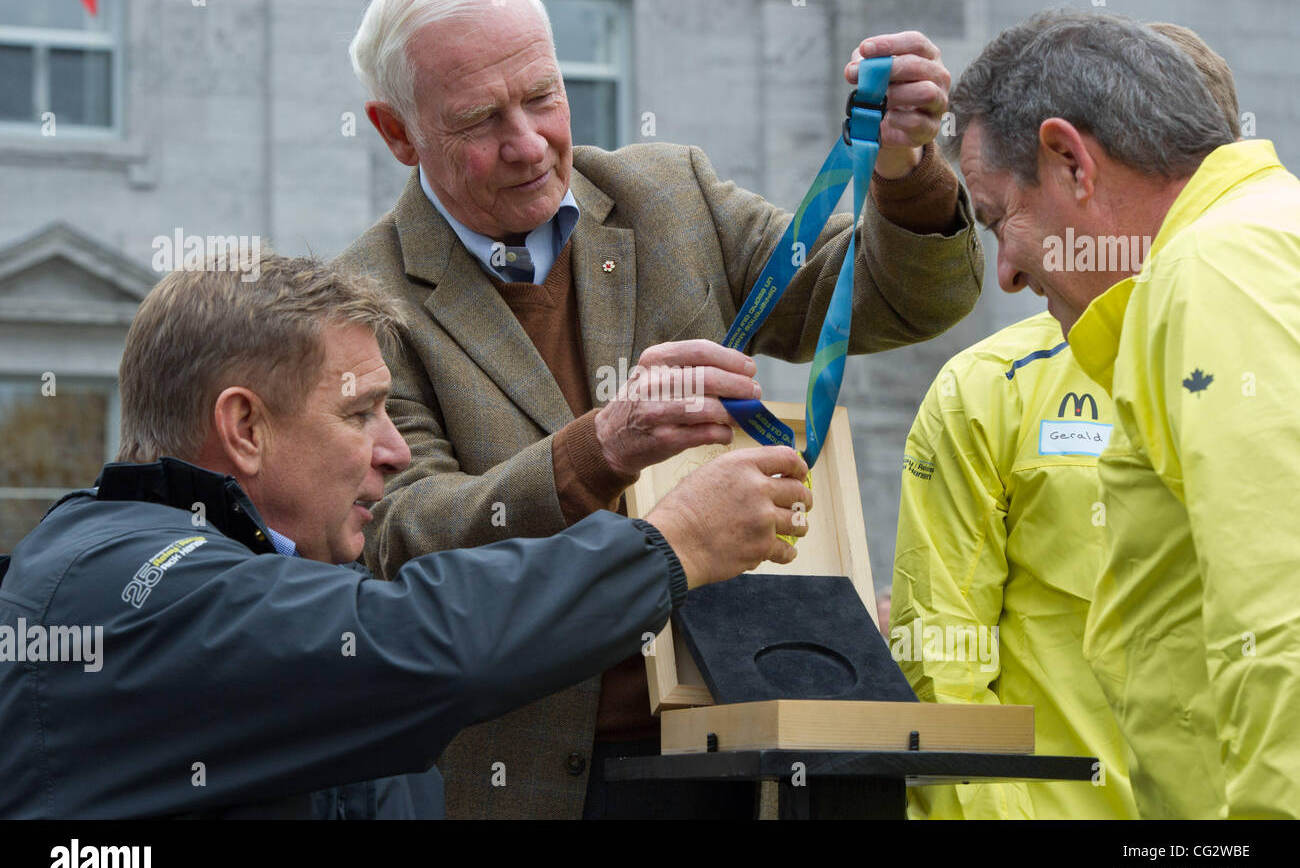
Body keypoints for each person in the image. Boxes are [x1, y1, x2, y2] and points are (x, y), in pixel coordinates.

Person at [337, 0, 983, 819]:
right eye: (479, 121)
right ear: (397, 132)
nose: (528, 142)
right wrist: (597, 449)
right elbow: (403, 542)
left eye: (542, 97)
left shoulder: (668, 194)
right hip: (521, 782)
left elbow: (900, 300)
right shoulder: (358, 304)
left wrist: (908, 171)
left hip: (736, 757)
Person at [0, 254, 811, 819]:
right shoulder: (131, 584)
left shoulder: (214, 572)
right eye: (359, 412)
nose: (393, 449)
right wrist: (670, 543)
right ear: (244, 427)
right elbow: (421, 639)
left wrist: (605, 452)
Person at [947, 8, 1300, 819]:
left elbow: (1281, 622)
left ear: (1070, 160)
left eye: (1001, 219)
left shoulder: (1216, 271)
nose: (1004, 272)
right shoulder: (1251, 244)